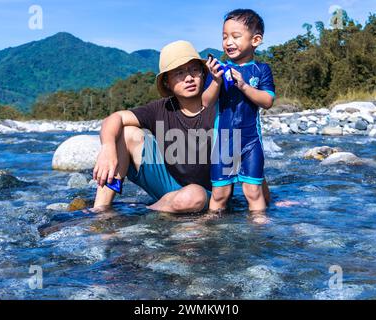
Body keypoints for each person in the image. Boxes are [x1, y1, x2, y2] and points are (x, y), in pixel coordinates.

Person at [91, 40, 217, 213]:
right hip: (168, 183)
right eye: (179, 73)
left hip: (207, 195)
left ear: (203, 73)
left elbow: (245, 147)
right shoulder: (161, 108)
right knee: (126, 133)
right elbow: (115, 117)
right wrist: (107, 148)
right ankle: (100, 210)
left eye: (194, 70)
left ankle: (147, 210)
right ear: (167, 82)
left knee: (193, 195)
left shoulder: (218, 108)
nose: (189, 78)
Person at [202, 9, 275, 213]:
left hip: (251, 141)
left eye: (235, 36)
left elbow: (267, 100)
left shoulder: (262, 70)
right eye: (224, 37)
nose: (228, 42)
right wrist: (216, 80)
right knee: (220, 194)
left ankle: (259, 231)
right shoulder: (218, 69)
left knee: (253, 191)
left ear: (256, 39)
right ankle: (213, 230)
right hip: (224, 140)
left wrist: (244, 86)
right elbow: (206, 102)